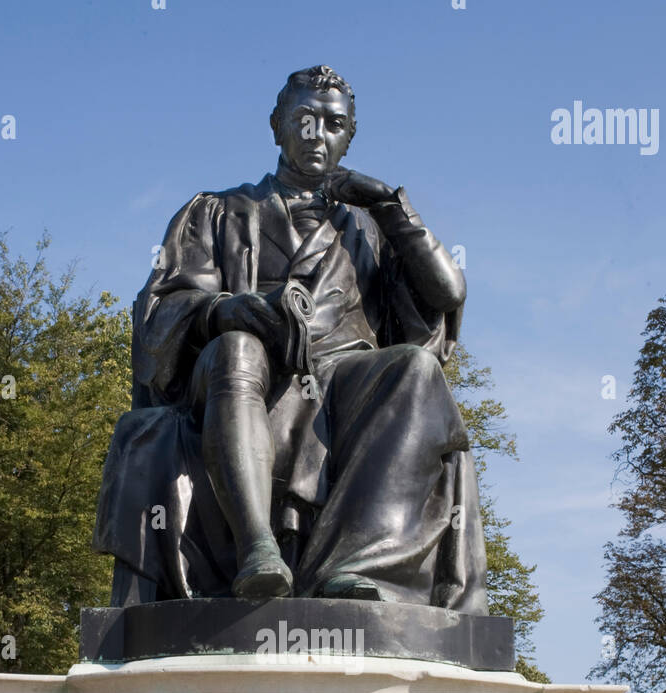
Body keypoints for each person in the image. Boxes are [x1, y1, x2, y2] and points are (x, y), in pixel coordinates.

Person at [94, 65, 488, 612]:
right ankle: (257, 550)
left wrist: (390, 205)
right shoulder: (217, 212)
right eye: (303, 119)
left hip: (343, 378)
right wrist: (231, 309)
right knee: (238, 348)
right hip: (241, 373)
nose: (316, 134)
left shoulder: (373, 227)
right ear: (277, 126)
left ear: (350, 136)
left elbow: (445, 292)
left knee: (416, 372)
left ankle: (354, 564)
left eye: (333, 124)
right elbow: (162, 312)